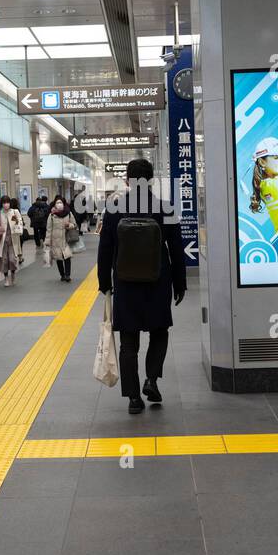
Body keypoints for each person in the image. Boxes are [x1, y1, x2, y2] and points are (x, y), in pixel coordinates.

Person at [97, 158, 187, 414]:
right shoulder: (165, 208)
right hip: (158, 281)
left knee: (128, 342)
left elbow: (105, 250)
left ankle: (134, 398)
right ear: (150, 180)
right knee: (160, 331)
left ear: (127, 180)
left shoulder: (114, 209)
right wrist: (180, 283)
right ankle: (151, 379)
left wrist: (105, 284)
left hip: (125, 284)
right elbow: (176, 250)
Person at [0, 195, 25, 287]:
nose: (6, 204)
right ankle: (6, 279)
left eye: (7, 202)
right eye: (4, 203)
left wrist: (16, 223)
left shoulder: (14, 212)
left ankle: (13, 275)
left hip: (13, 240)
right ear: (2, 204)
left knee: (12, 260)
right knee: (4, 261)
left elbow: (19, 222)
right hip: (3, 242)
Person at [46, 195, 77, 282]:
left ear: (64, 203)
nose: (59, 204)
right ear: (54, 204)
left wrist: (69, 225)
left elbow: (74, 224)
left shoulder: (69, 213)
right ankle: (62, 274)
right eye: (57, 202)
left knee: (67, 257)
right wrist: (47, 241)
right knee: (59, 258)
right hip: (55, 240)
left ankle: (67, 275)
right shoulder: (51, 216)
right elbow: (49, 229)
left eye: (60, 202)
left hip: (66, 238)